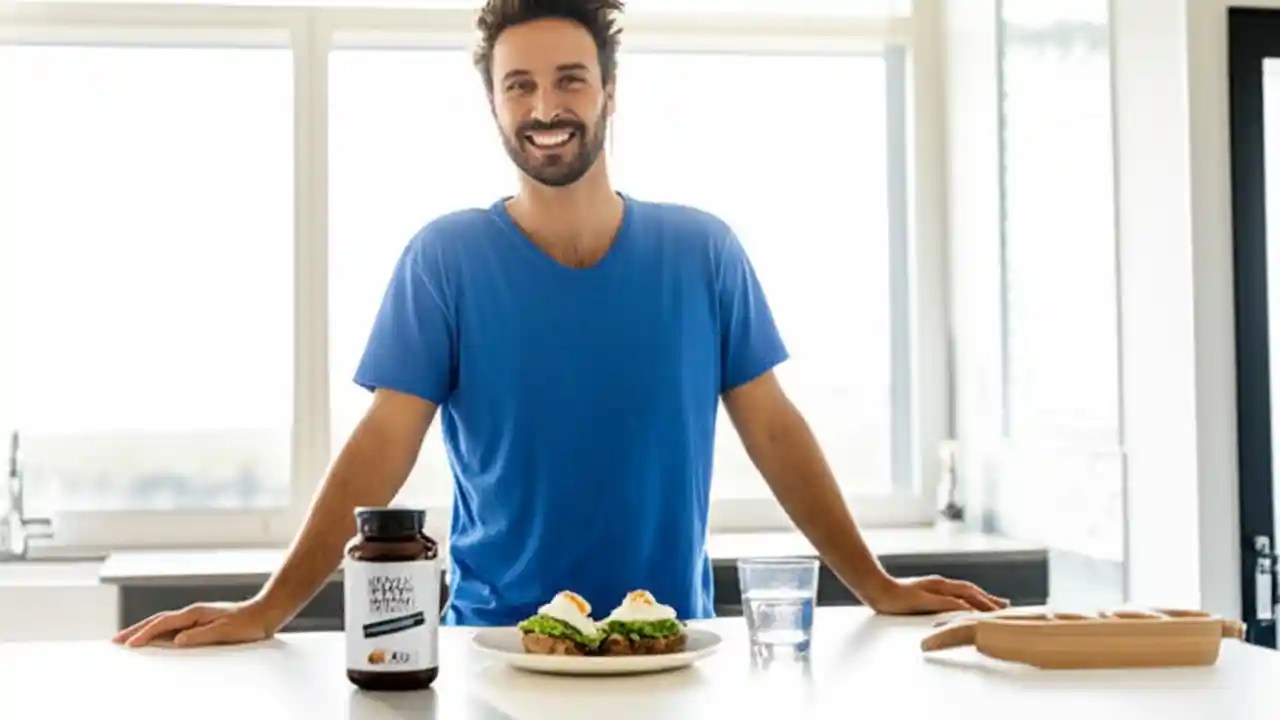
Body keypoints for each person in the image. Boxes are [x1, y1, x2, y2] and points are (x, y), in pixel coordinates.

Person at [113, 0, 1007, 649]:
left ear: (610, 92)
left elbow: (774, 430)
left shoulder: (703, 252)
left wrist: (875, 584)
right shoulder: (446, 260)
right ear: (495, 104)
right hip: (494, 647)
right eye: (521, 85)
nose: (546, 107)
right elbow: (382, 445)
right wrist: (268, 609)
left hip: (667, 646)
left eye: (570, 79)